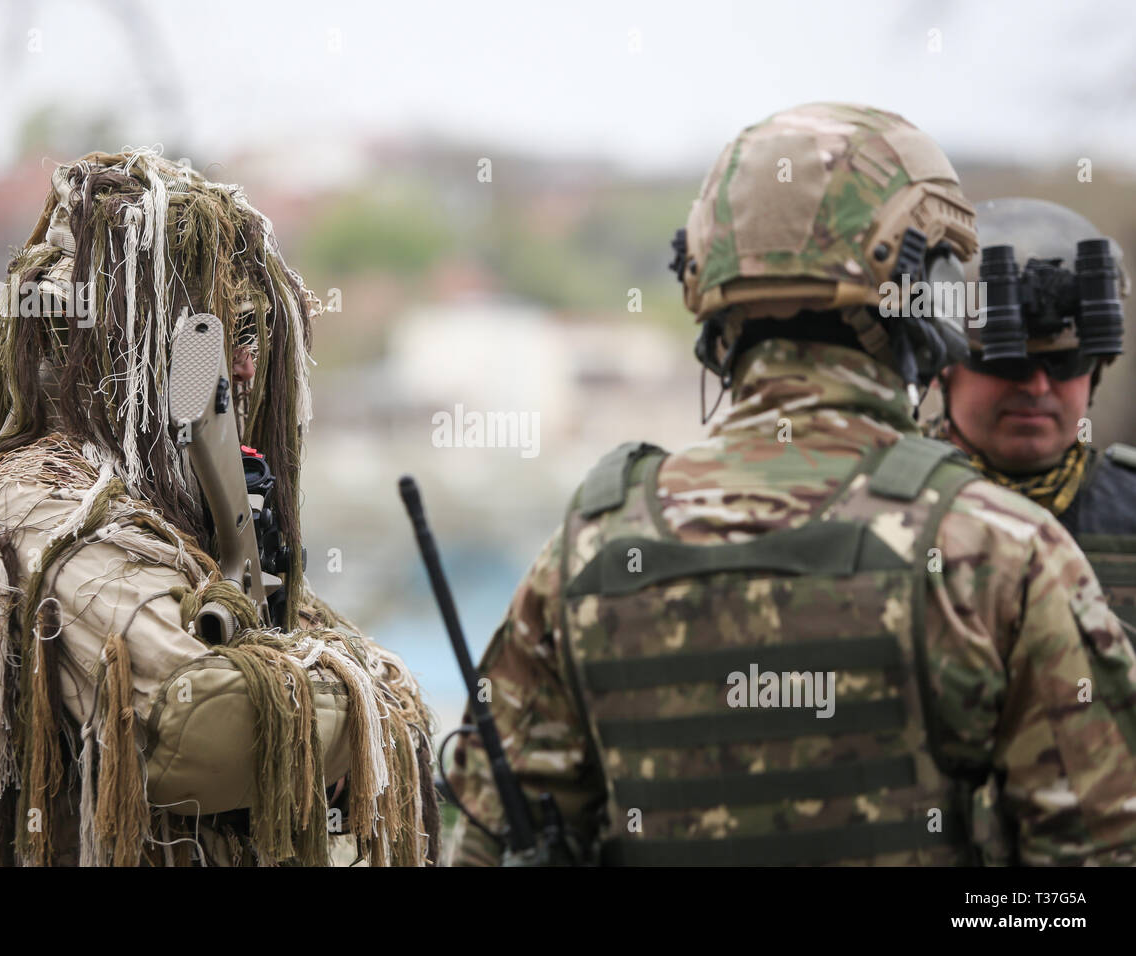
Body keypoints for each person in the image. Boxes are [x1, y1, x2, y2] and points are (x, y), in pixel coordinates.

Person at [445, 103, 1136, 866]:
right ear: (925, 295)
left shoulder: (590, 544)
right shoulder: (1002, 549)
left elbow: (483, 841)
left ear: (705, 283)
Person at [0, 149, 439, 867]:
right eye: (219, 337)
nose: (246, 366)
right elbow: (205, 725)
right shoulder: (47, 506)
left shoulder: (168, 510)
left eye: (254, 334)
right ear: (122, 344)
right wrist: (367, 693)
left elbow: (277, 675)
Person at [928, 197, 1136, 630]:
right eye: (1006, 363)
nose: (1037, 387)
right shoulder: (884, 512)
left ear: (1097, 369)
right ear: (942, 367)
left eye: (1067, 364)